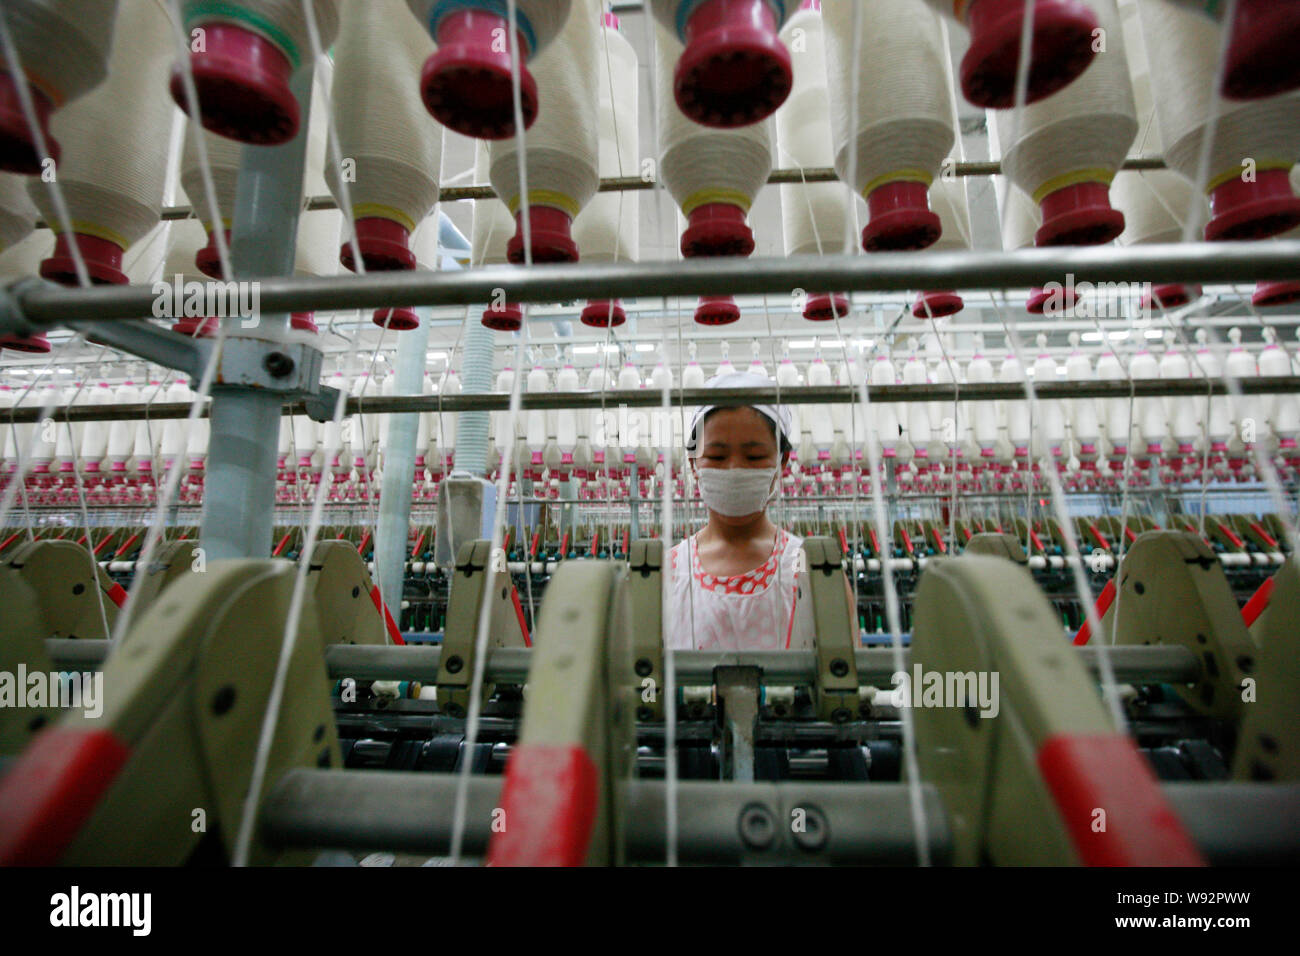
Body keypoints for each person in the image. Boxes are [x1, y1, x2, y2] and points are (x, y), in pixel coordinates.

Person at [667, 372, 816, 651]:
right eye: (717, 457)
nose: (734, 469)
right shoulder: (666, 574)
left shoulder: (812, 570)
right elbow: (645, 689)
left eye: (754, 457)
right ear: (693, 463)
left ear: (781, 462)